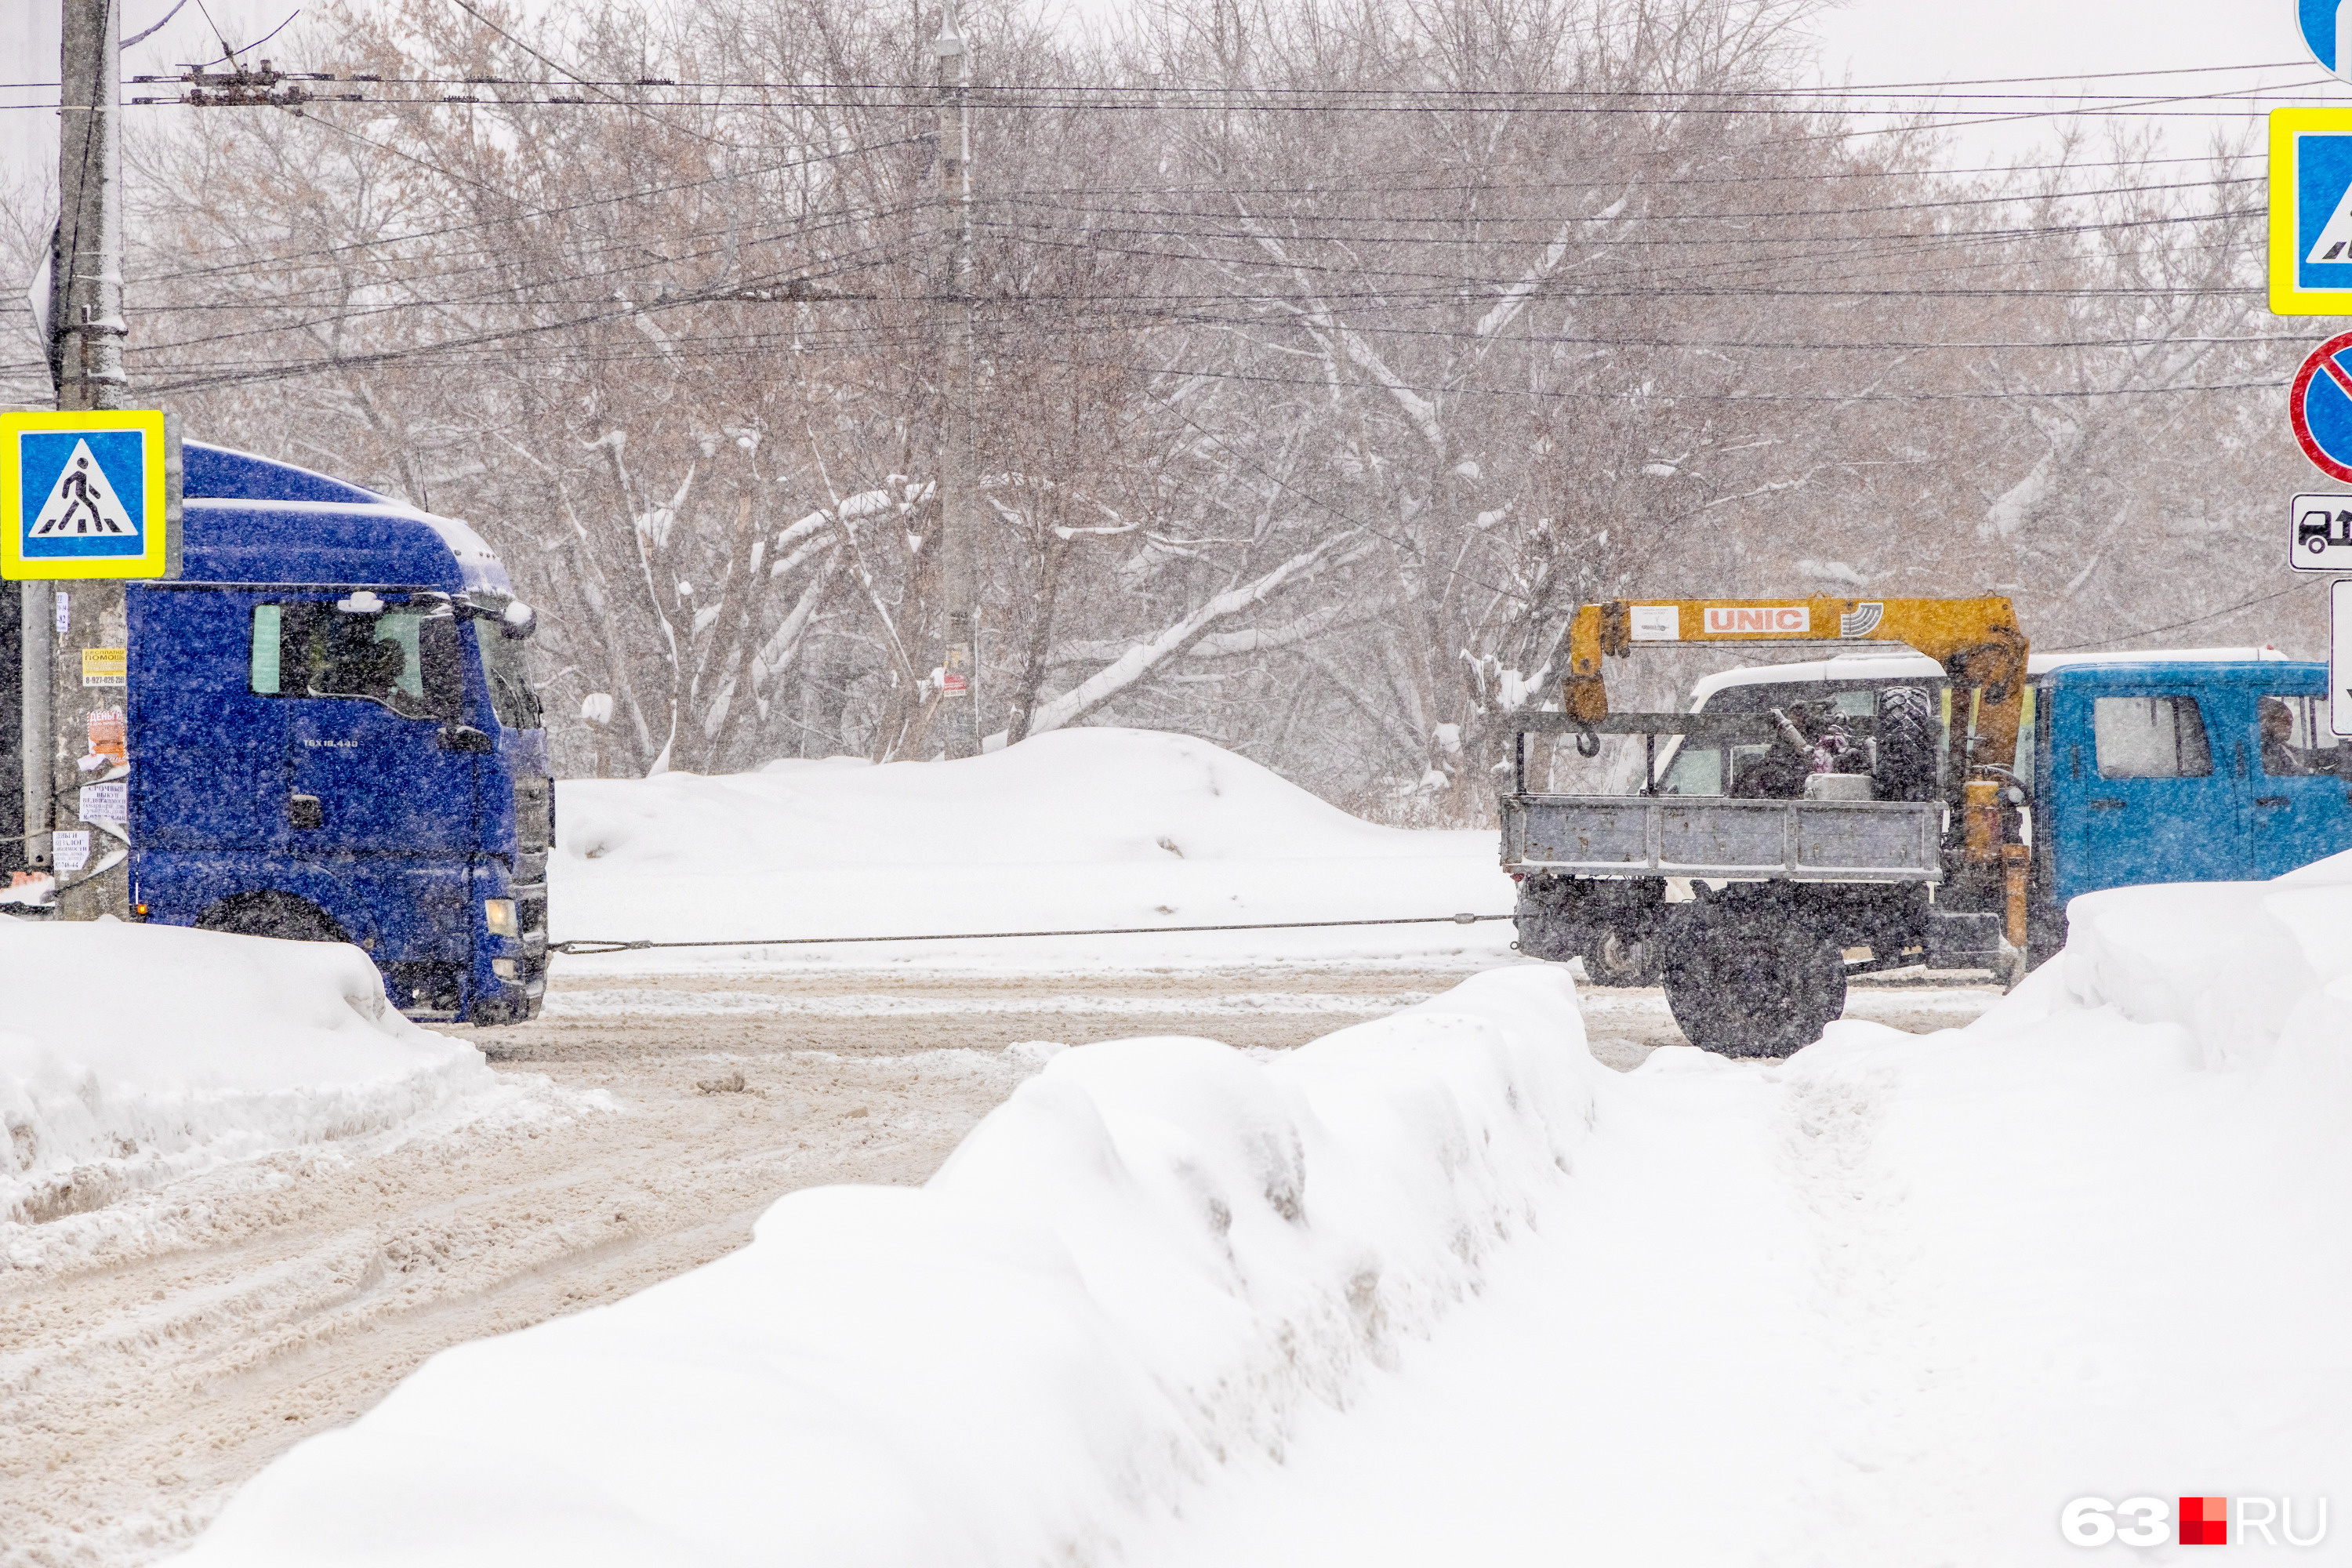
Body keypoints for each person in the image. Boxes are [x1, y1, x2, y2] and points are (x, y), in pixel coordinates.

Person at [2260, 697, 2314, 777]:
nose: (2290, 727)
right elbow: (2290, 774)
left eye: (2291, 722)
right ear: (2270, 722)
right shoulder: (2265, 750)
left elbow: (2304, 758)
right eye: (2286, 722)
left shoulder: (2279, 746)